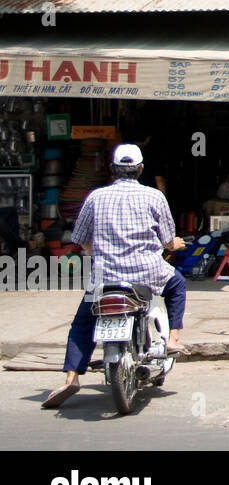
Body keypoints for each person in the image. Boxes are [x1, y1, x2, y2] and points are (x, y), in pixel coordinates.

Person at [42, 144, 188, 409]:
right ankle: (173, 339)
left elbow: (80, 239)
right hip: (147, 273)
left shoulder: (95, 197)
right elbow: (167, 240)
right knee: (177, 284)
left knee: (82, 324)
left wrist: (96, 251)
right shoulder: (154, 196)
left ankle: (71, 378)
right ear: (141, 169)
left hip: (105, 277)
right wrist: (173, 244)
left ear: (112, 170)